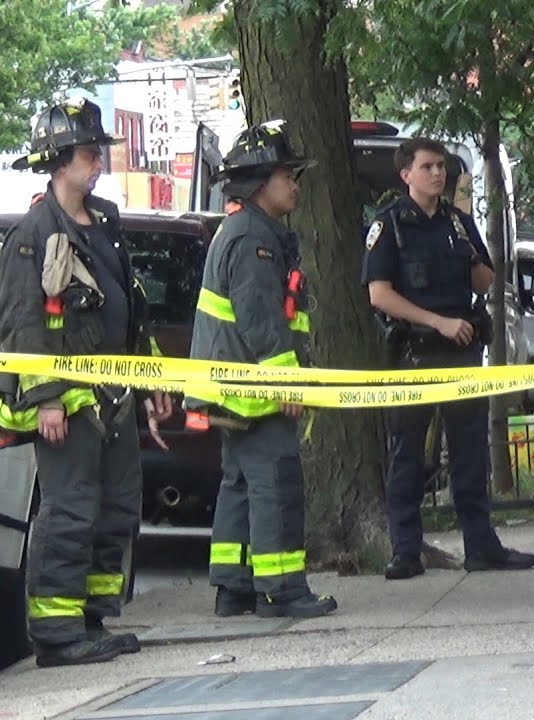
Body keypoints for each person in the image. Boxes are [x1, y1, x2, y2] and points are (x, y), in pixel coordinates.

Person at [0, 98, 173, 666]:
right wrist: (46, 397)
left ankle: (92, 621)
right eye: (90, 153)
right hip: (68, 407)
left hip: (116, 397)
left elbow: (128, 310)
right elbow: (21, 326)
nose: (99, 163)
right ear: (60, 160)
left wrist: (150, 379)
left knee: (116, 509)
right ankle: (56, 633)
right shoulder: (34, 234)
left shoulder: (106, 225)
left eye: (99, 152)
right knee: (69, 511)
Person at [363, 137, 534, 580]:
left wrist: (473, 254)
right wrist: (436, 321)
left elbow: (484, 280)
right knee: (407, 454)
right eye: (428, 167)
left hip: (461, 351)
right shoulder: (390, 226)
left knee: (469, 454)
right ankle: (405, 550)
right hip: (415, 353)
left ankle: (481, 545)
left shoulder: (457, 223)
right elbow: (380, 295)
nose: (438, 174)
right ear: (406, 175)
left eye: (442, 166)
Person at [185, 120, 337, 619]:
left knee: (241, 485)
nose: (295, 184)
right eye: (287, 174)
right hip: (255, 388)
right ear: (258, 182)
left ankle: (235, 587)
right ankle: (281, 588)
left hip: (232, 389)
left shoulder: (246, 231)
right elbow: (260, 320)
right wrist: (285, 378)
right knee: (275, 483)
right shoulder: (253, 239)